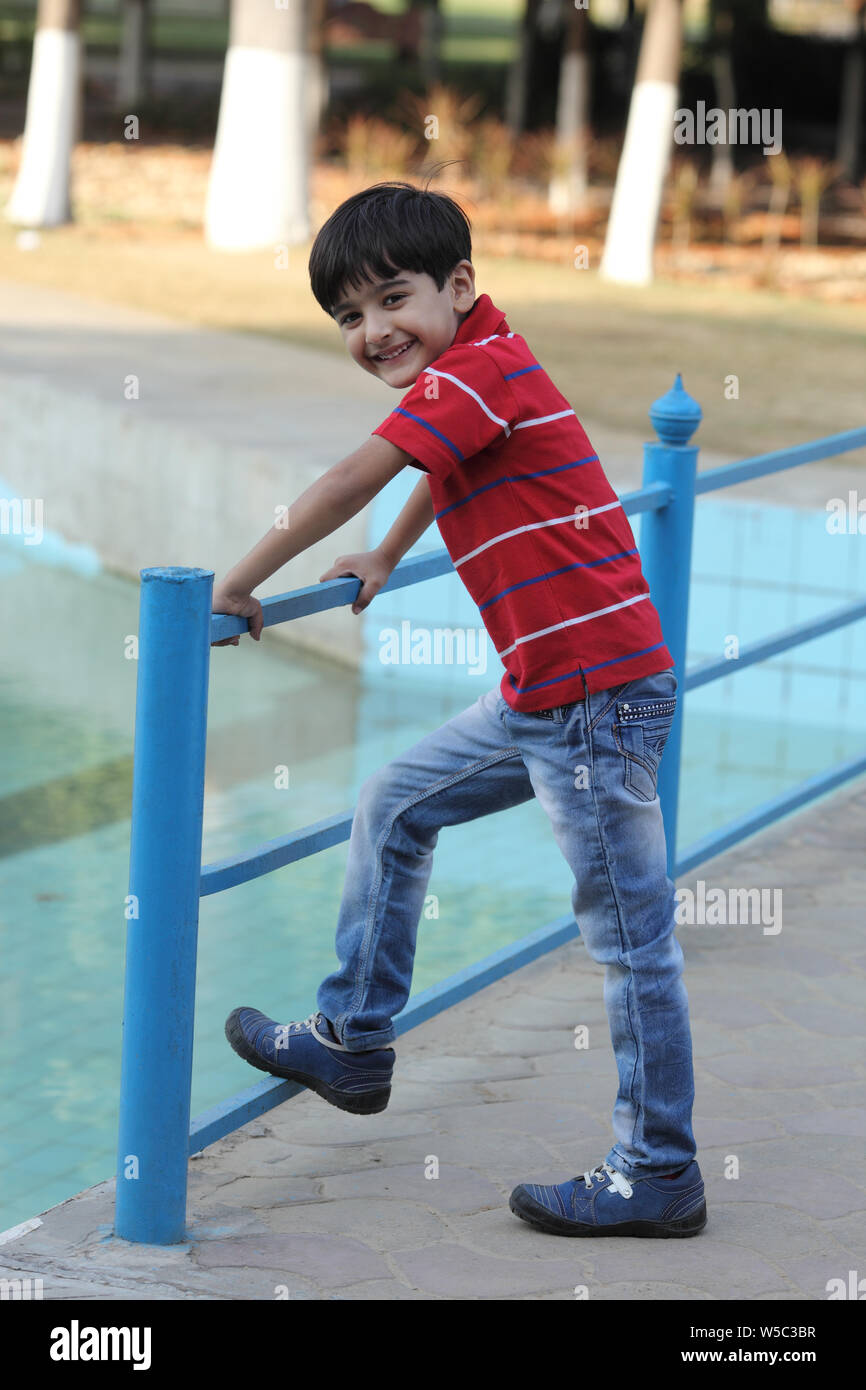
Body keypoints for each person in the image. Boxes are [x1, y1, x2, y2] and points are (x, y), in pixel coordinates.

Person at [211, 181, 706, 1238]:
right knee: (394, 802)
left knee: (630, 942)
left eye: (392, 299)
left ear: (459, 287)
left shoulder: (478, 366)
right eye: (348, 317)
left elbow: (354, 473)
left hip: (590, 701)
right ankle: (352, 1039)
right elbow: (439, 471)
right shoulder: (477, 370)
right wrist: (387, 556)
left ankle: (658, 1168)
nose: (373, 330)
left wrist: (236, 579)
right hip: (546, 695)